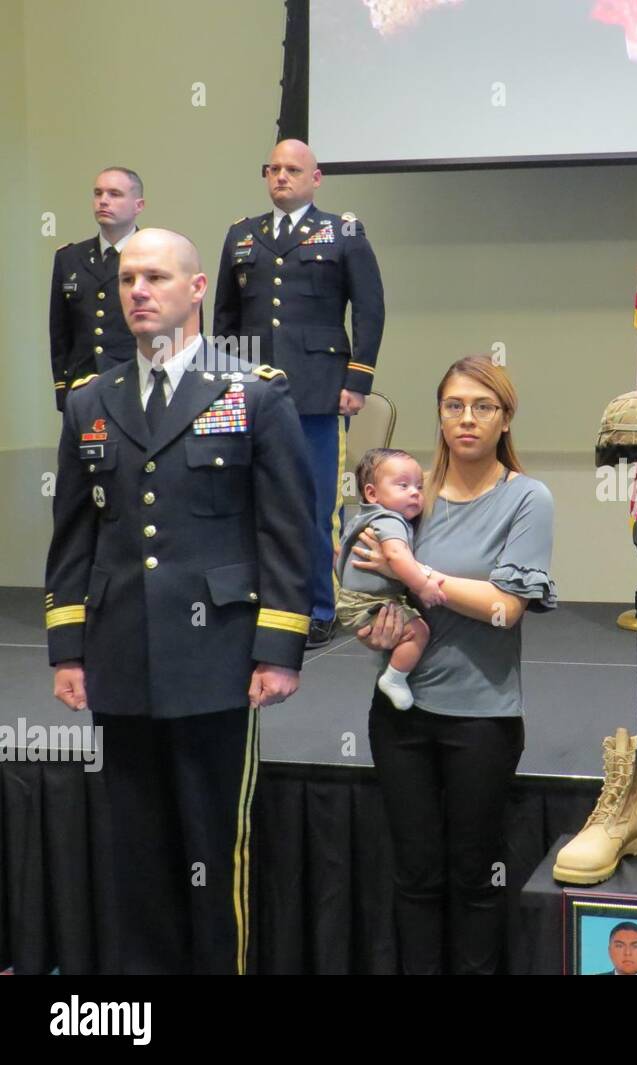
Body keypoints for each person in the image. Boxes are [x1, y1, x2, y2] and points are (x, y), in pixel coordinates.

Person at [44, 228, 314, 974]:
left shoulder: (252, 390)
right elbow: (73, 537)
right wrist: (68, 648)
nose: (137, 290)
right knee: (133, 851)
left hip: (218, 656)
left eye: (156, 277)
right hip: (121, 655)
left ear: (197, 289)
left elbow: (288, 530)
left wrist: (278, 647)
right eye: (128, 278)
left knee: (213, 850)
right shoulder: (91, 400)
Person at [355, 354, 557, 975]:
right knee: (414, 877)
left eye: (483, 406)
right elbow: (370, 589)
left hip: (482, 719)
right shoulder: (408, 499)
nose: (466, 418)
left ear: (505, 419)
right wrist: (377, 628)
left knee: (475, 878)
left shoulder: (527, 498)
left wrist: (420, 577)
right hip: (402, 717)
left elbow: (505, 607)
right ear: (439, 416)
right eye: (453, 406)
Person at [213, 138, 386, 649]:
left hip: (318, 391)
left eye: (293, 169)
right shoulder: (242, 235)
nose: (281, 176)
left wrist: (357, 380)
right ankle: (258, 600)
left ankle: (318, 606)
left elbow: (370, 310)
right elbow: (226, 317)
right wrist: (225, 381)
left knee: (315, 503)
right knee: (243, 498)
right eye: (273, 169)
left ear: (316, 177)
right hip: (249, 390)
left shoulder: (344, 232)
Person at [335, 448, 432, 710]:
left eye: (419, 487)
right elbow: (396, 555)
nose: (414, 492)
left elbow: (339, 556)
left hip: (353, 599)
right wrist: (422, 584)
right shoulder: (390, 520)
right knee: (418, 632)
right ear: (372, 493)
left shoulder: (362, 518)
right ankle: (395, 678)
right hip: (368, 601)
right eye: (403, 485)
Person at [49, 167, 145, 410]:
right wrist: (62, 386)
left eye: (115, 194)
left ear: (138, 205)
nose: (103, 200)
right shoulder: (69, 258)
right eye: (98, 193)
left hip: (138, 385)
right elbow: (60, 333)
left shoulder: (155, 253)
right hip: (83, 386)